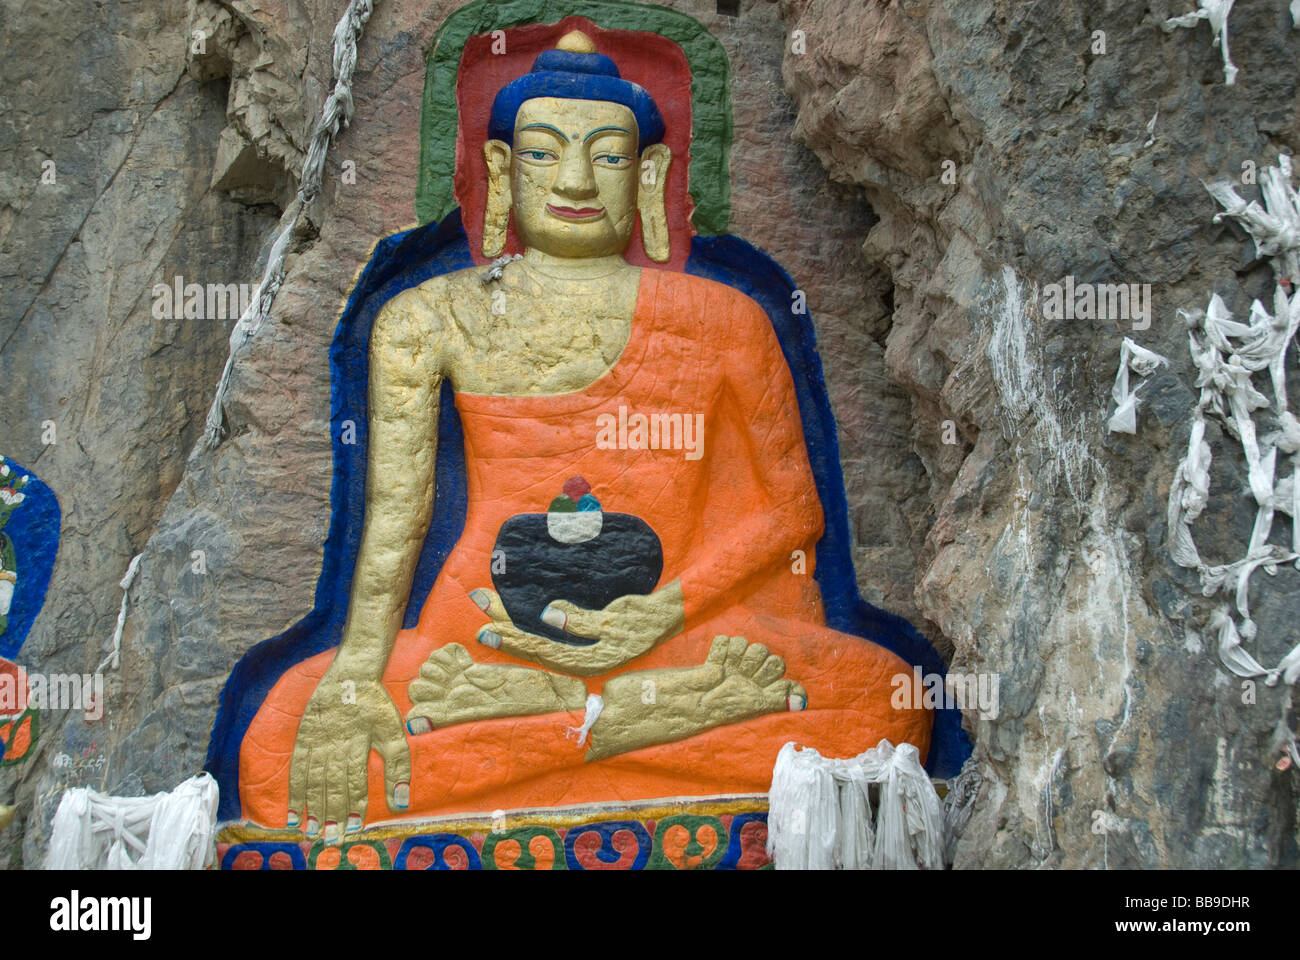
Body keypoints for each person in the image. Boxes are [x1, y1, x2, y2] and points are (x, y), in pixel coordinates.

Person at [239, 30, 930, 842]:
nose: (572, 179)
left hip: (678, 633)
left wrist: (660, 614)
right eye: (541, 154)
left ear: (648, 175)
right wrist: (356, 677)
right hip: (487, 643)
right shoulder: (429, 318)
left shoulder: (726, 321)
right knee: (282, 735)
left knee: (886, 702)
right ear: (499, 172)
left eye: (605, 156)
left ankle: (575, 720)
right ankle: (620, 719)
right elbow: (395, 522)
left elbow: (789, 515)